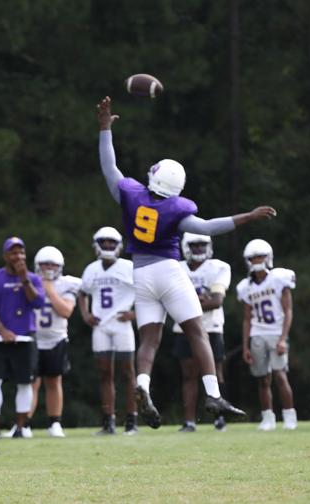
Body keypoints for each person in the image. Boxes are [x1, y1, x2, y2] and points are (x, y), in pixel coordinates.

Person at [96, 96, 274, 428]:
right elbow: (206, 228)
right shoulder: (177, 210)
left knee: (150, 338)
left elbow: (110, 168)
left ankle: (142, 385)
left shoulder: (132, 195)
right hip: (167, 269)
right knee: (197, 331)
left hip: (141, 273)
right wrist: (247, 217)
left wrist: (105, 129)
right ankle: (214, 394)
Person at [0, 237, 46, 439]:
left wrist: (24, 278)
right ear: (5, 256)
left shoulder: (33, 279)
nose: (18, 256)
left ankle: (21, 427)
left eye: (21, 252)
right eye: (13, 252)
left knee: (25, 384)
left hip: (25, 338)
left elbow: (38, 304)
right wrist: (2, 330)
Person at [78, 227, 138, 435]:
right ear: (96, 245)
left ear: (119, 245)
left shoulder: (129, 267)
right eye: (104, 242)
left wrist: (135, 314)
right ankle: (109, 421)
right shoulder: (91, 269)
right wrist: (85, 315)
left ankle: (132, 420)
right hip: (101, 325)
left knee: (128, 372)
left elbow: (149, 291)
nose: (108, 246)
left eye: (112, 242)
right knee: (104, 372)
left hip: (122, 323)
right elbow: (82, 294)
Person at [172, 234, 233, 432]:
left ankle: (219, 418)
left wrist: (187, 303)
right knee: (188, 375)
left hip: (211, 326)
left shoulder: (219, 267)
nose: (198, 249)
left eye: (202, 245)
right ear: (186, 246)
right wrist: (200, 300)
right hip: (184, 328)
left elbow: (216, 301)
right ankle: (189, 421)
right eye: (194, 245)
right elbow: (171, 301)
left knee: (216, 373)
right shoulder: (176, 268)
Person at [236, 239, 298, 431]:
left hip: (276, 332)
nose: (257, 260)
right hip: (257, 334)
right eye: (253, 257)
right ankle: (268, 418)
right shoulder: (245, 286)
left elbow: (288, 311)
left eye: (260, 256)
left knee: (280, 375)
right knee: (263, 379)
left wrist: (282, 338)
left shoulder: (279, 278)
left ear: (268, 257)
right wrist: (245, 346)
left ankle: (289, 416)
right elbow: (247, 319)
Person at [29, 246, 81, 438]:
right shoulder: (30, 282)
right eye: (45, 264)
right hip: (33, 339)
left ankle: (55, 423)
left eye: (53, 264)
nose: (49, 268)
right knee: (31, 383)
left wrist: (49, 290)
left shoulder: (67, 284)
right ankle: (24, 424)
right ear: (37, 265)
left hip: (56, 338)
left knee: (54, 381)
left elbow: (66, 311)